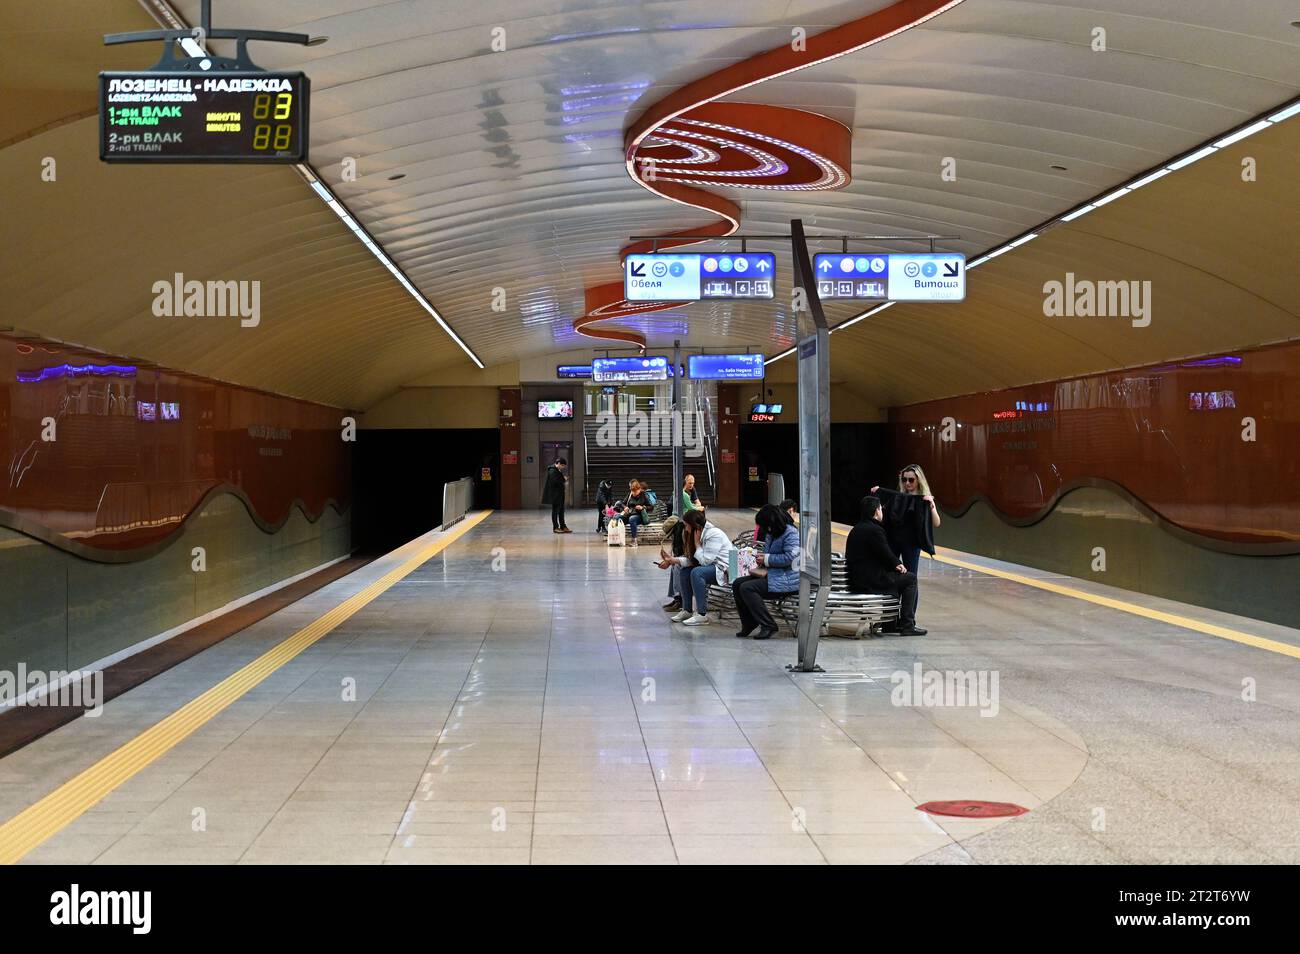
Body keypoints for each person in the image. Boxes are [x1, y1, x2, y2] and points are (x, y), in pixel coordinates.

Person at [844, 495, 926, 636]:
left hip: (857, 579)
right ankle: (907, 624)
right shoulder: (875, 530)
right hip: (868, 581)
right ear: (876, 511)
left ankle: (890, 624)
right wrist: (898, 564)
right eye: (881, 509)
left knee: (896, 580)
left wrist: (894, 565)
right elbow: (886, 554)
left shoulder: (856, 529)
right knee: (910, 579)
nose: (882, 511)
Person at [732, 504, 800, 640]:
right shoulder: (773, 533)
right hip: (775, 575)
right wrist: (762, 561)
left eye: (767, 525)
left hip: (789, 580)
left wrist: (767, 559)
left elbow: (791, 558)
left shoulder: (791, 533)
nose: (766, 529)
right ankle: (749, 623)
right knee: (737, 583)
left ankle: (768, 625)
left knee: (747, 588)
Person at [660, 509, 732, 626]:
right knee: (685, 570)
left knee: (697, 572)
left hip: (724, 569)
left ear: (695, 525)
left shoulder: (714, 534)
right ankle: (687, 610)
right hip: (711, 567)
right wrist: (673, 560)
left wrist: (698, 545)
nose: (686, 529)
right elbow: (693, 560)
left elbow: (704, 561)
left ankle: (702, 614)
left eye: (687, 526)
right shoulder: (696, 534)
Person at [870, 464, 939, 576]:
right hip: (894, 540)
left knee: (910, 575)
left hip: (912, 544)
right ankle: (893, 593)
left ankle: (909, 594)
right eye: (904, 479)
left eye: (911, 480)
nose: (907, 483)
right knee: (890, 571)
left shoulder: (924, 499)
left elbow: (936, 523)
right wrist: (879, 492)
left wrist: (932, 506)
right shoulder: (898, 497)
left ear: (918, 480)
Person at [658, 514, 687, 612]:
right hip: (687, 558)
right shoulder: (678, 533)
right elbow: (675, 550)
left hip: (694, 560)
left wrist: (670, 561)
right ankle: (677, 598)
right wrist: (669, 559)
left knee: (677, 567)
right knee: (674, 567)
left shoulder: (683, 533)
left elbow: (686, 554)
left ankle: (681, 600)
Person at [619, 479, 652, 547]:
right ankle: (618, 539)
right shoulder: (630, 494)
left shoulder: (644, 495)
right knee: (618, 518)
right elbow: (622, 503)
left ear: (639, 489)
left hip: (639, 516)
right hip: (629, 514)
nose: (634, 493)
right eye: (632, 491)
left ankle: (634, 540)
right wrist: (625, 507)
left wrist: (643, 507)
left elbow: (651, 507)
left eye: (635, 491)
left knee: (632, 518)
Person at [542, 458, 571, 534]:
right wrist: (564, 479)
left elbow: (558, 480)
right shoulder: (552, 471)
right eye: (562, 465)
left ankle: (563, 526)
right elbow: (556, 481)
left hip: (560, 494)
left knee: (561, 511)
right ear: (558, 463)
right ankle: (555, 527)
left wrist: (563, 479)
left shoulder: (557, 470)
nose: (563, 467)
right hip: (555, 495)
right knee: (555, 511)